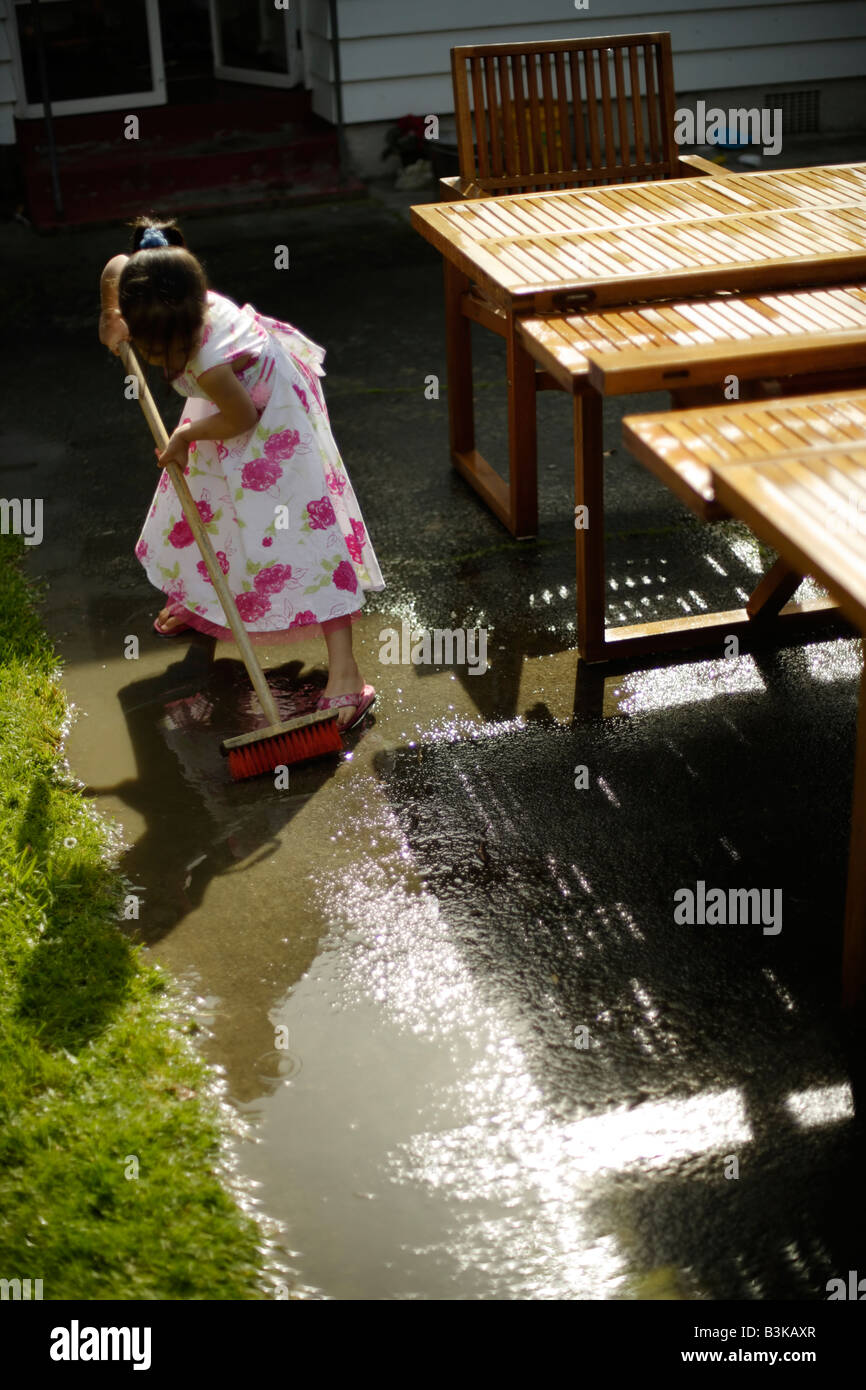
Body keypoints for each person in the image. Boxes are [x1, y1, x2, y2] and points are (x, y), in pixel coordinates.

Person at [98, 216, 381, 729]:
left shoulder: (206, 358)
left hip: (269, 418)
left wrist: (186, 436)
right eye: (148, 346)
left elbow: (243, 419)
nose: (157, 358)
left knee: (299, 536)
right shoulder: (152, 282)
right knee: (207, 502)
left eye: (163, 350)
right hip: (227, 402)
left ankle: (346, 671)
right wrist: (110, 314)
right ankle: (199, 594)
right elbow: (117, 267)